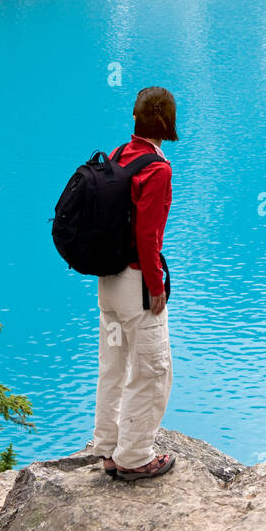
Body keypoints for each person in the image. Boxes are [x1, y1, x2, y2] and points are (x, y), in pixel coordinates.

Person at [92, 86, 177, 481]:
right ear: (169, 123)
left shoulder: (118, 155)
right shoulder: (157, 169)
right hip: (135, 287)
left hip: (107, 284)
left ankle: (108, 449)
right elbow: (148, 235)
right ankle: (136, 457)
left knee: (113, 367)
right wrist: (156, 286)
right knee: (153, 371)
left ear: (135, 118)